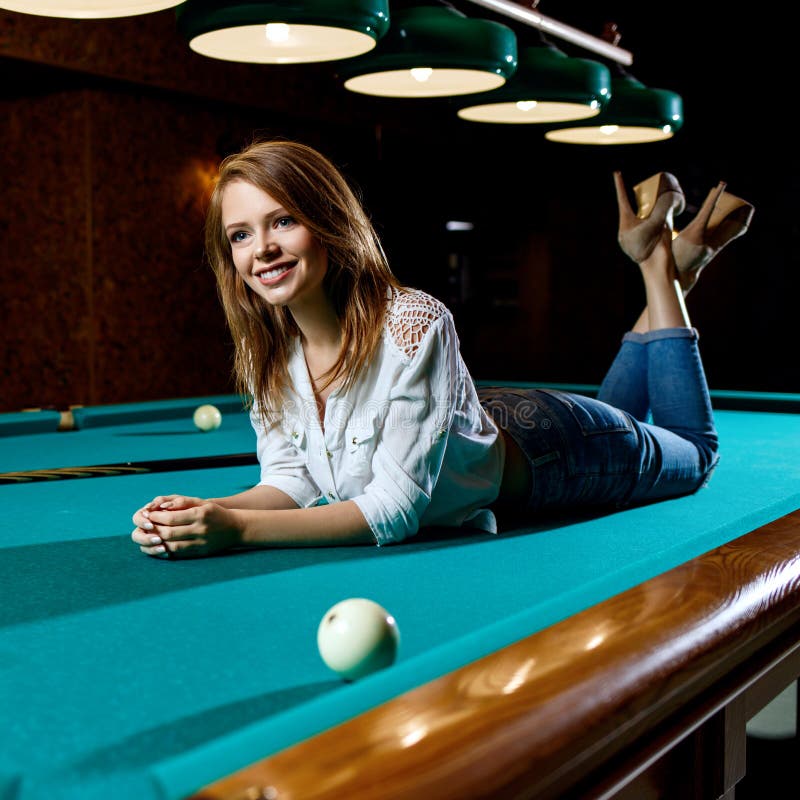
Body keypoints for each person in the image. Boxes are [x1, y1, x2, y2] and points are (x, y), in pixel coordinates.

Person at [131, 140, 754, 559]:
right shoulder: (267, 355)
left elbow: (394, 510)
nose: (261, 248)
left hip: (557, 454)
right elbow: (292, 481)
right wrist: (204, 510)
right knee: (631, 419)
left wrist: (237, 529)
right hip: (481, 429)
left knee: (694, 453)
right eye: (241, 234)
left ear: (328, 223)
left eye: (282, 221)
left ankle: (657, 265)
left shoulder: (413, 322)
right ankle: (674, 273)